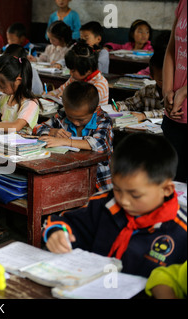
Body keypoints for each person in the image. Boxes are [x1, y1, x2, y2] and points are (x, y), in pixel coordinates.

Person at [43, 132, 187, 278]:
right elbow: (65, 222)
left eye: (135, 195)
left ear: (166, 189)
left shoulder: (181, 230)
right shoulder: (103, 204)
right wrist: (57, 233)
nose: (123, 200)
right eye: (117, 189)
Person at [34, 82, 113, 191]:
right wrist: (52, 132)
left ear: (95, 110)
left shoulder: (103, 119)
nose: (75, 123)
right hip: (68, 177)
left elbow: (101, 144)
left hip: (97, 182)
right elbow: (37, 128)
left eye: (81, 119)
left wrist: (65, 141)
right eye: (71, 117)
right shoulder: (62, 115)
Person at [162, 0, 187, 183]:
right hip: (175, 113)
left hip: (182, 98)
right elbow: (172, 49)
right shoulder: (183, 4)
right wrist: (167, 90)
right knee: (171, 183)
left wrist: (184, 91)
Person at [44, 41, 109, 106]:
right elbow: (60, 90)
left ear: (88, 70)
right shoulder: (75, 78)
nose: (70, 73)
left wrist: (67, 95)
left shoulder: (100, 84)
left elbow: (85, 105)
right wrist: (50, 94)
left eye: (73, 71)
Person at [115, 48, 166, 121]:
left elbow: (168, 113)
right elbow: (131, 104)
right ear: (152, 76)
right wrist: (119, 106)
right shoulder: (146, 91)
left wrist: (144, 115)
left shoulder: (177, 93)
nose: (167, 82)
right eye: (162, 80)